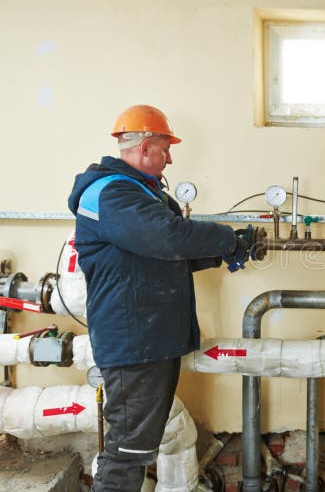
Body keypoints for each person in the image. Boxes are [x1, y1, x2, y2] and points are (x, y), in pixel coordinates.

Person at [67, 105, 252, 491]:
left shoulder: (139, 193)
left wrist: (229, 250)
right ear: (146, 145)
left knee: (136, 449)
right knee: (127, 456)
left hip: (149, 341)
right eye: (166, 148)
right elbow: (168, 238)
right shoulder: (110, 193)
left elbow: (169, 255)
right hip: (134, 344)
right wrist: (226, 237)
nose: (170, 157)